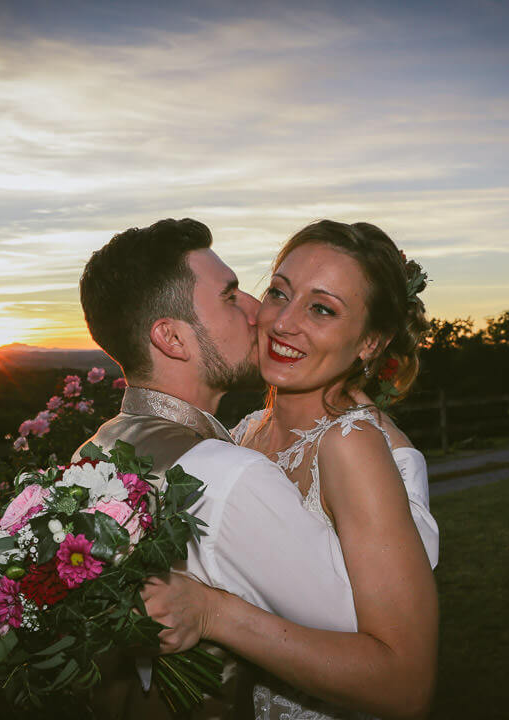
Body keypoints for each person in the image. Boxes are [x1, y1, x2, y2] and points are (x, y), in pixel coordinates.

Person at [140, 220, 439, 720]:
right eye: (280, 293)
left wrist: (212, 613)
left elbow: (405, 686)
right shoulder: (248, 430)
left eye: (322, 308)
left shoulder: (352, 446)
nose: (282, 323)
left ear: (370, 342)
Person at [74, 218, 361, 719]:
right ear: (172, 338)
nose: (257, 310)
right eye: (230, 296)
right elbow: (366, 650)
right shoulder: (226, 477)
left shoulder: (93, 453)